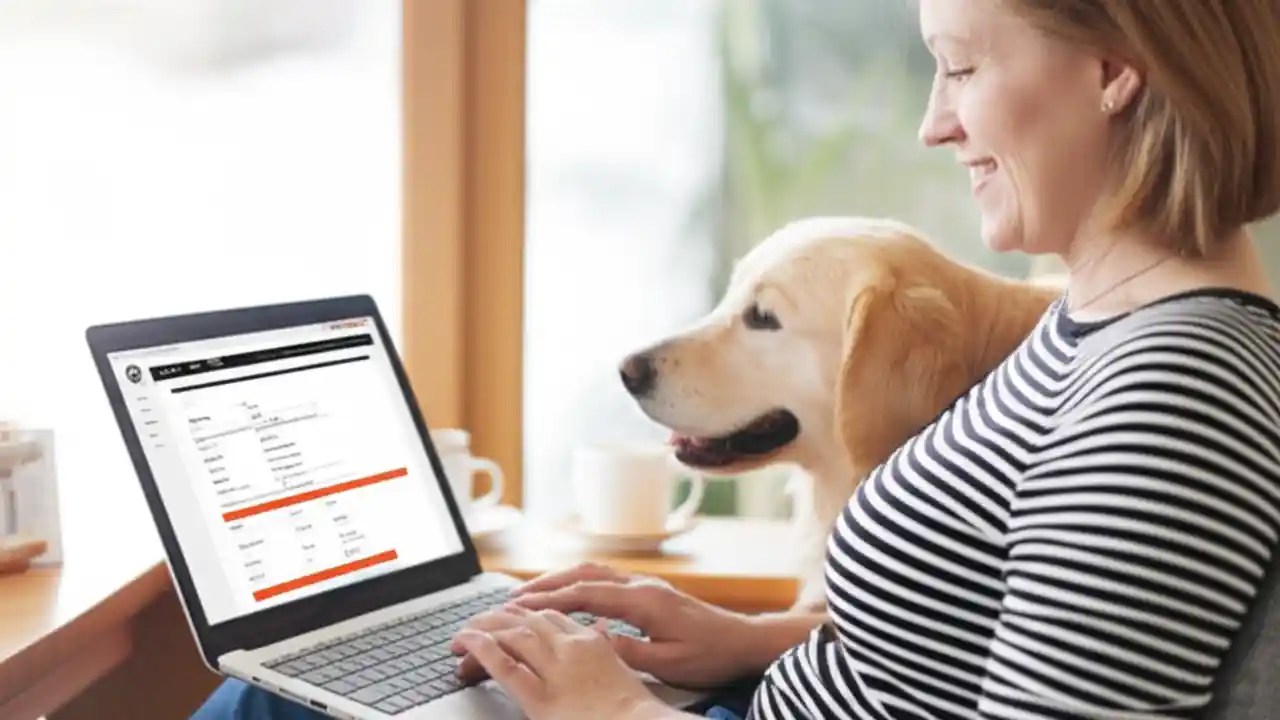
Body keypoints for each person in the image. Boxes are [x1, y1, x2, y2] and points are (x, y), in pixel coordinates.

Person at [194, 0, 1280, 718]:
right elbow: (959, 642)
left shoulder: (1169, 390)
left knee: (271, 703)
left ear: (1113, 70)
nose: (931, 126)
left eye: (957, 67)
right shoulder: (1099, 320)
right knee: (313, 684)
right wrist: (745, 637)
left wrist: (614, 711)